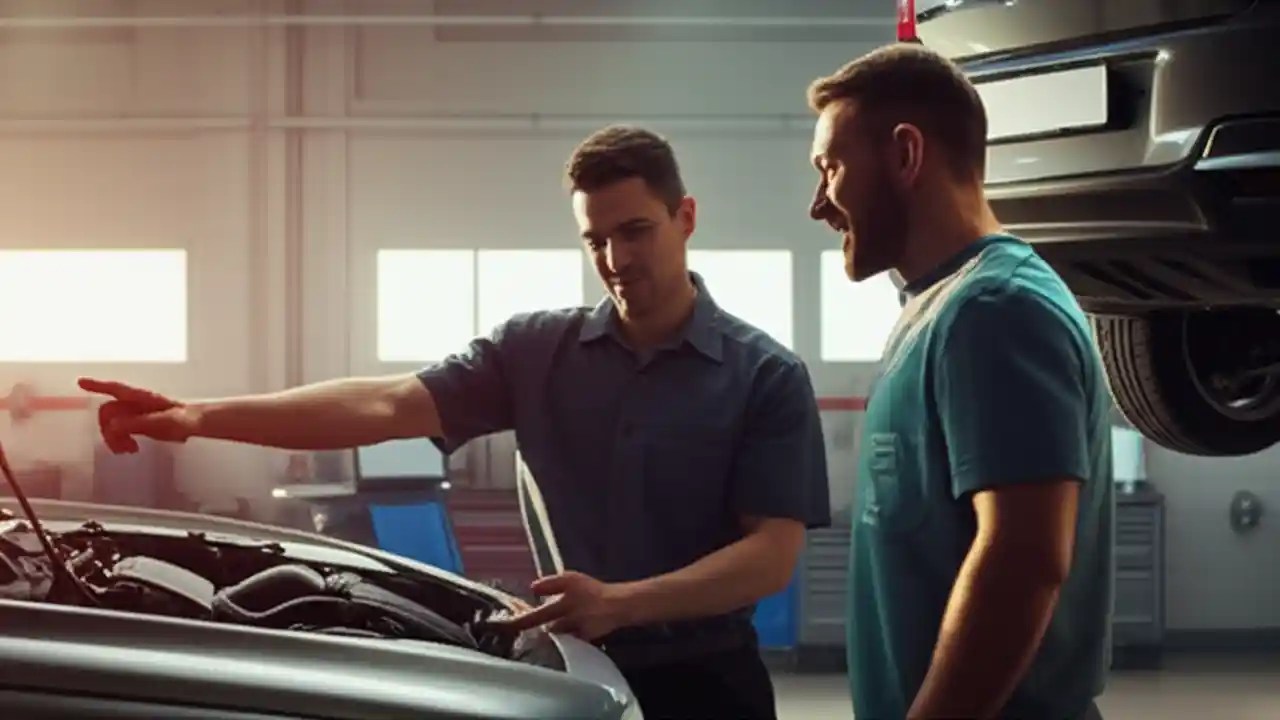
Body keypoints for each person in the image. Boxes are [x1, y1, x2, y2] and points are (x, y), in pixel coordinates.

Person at [81, 125, 831, 720]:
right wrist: (193, 417)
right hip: (573, 677)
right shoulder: (536, 351)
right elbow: (380, 404)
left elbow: (770, 556)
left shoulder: (765, 374)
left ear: (686, 217)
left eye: (635, 231)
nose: (615, 258)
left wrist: (619, 603)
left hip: (710, 687)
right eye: (595, 240)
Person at [804, 44, 1113, 720]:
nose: (818, 205)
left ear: (906, 155)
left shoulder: (996, 311)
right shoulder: (939, 308)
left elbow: (1022, 561)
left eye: (830, 168)